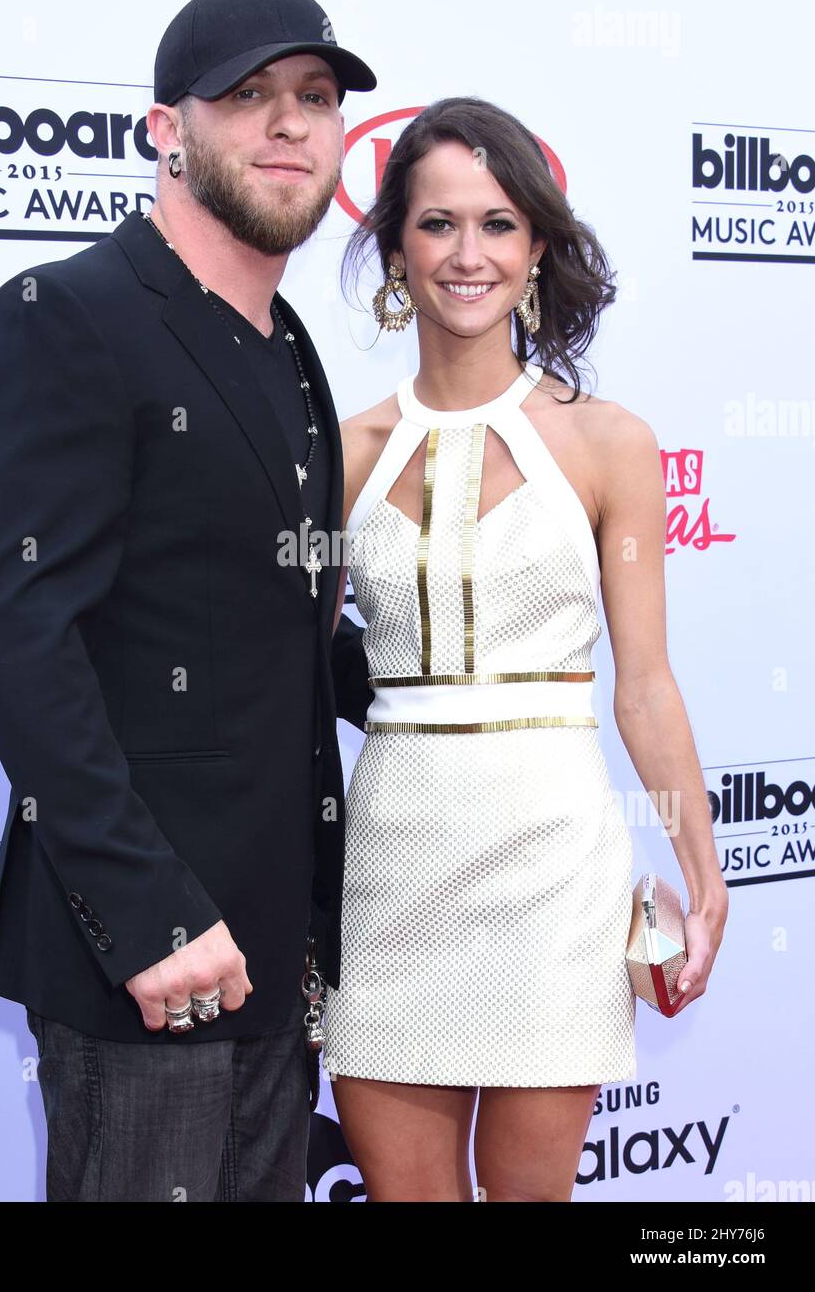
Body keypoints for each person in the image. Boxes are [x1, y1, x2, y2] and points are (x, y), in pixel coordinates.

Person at [0, 0, 375, 1203]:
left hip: (271, 946)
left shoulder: (290, 351)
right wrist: (147, 916)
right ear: (163, 130)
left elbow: (270, 630)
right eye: (247, 97)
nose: (289, 123)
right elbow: (19, 629)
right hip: (146, 956)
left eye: (313, 97)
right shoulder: (68, 316)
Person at [320, 97, 729, 1202]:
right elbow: (282, 674)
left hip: (553, 872)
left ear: (536, 246)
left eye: (498, 224)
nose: (468, 255)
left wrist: (701, 865)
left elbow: (640, 685)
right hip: (389, 871)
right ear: (394, 245)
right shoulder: (340, 449)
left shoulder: (607, 443)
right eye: (437, 223)